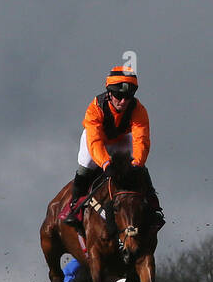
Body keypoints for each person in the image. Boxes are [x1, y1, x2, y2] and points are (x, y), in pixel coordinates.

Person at [59, 66, 162, 229]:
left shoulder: (139, 110)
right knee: (86, 164)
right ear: (109, 93)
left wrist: (137, 163)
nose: (123, 101)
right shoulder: (95, 108)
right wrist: (105, 163)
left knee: (140, 168)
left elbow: (141, 139)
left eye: (128, 97)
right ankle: (74, 206)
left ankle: (154, 206)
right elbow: (94, 141)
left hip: (121, 139)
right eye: (119, 96)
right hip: (96, 140)